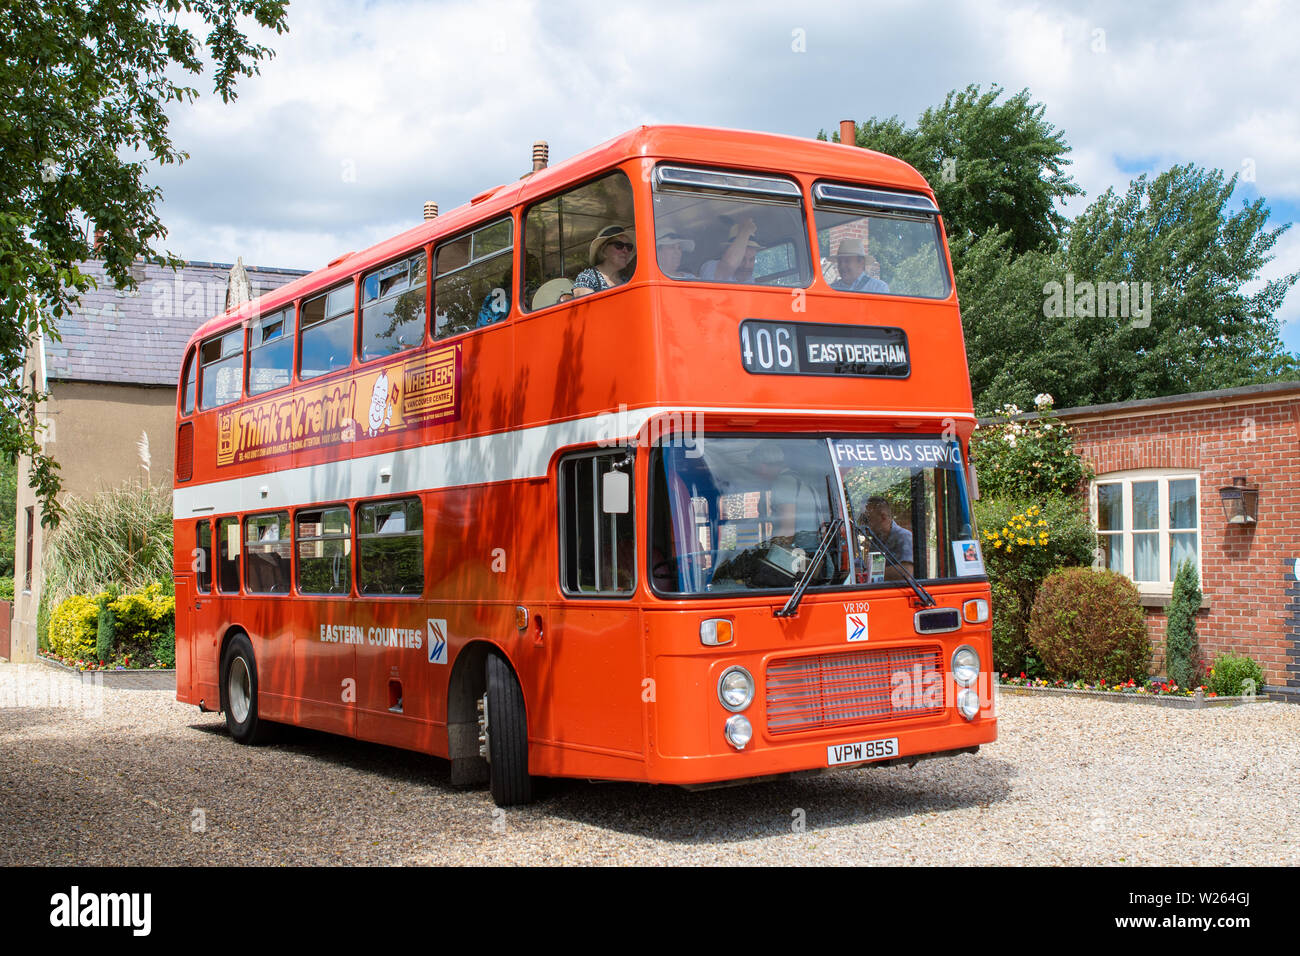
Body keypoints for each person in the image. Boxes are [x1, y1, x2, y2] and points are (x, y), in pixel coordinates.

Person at [573, 224, 635, 296]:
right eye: (619, 245)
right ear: (604, 250)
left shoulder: (627, 281)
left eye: (629, 247)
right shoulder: (587, 278)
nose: (625, 250)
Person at [863, 495, 913, 580]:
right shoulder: (877, 540)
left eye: (868, 519)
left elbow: (907, 571)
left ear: (883, 517)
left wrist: (867, 574)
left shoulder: (904, 537)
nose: (866, 524)